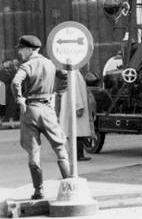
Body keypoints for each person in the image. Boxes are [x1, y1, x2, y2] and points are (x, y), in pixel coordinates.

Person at [11, 34, 72, 200]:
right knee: (60, 149)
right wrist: (59, 92)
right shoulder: (50, 64)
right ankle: (70, 186)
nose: (19, 53)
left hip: (30, 110)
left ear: (30, 50)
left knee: (33, 153)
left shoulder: (26, 66)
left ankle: (39, 191)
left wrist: (20, 99)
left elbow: (16, 82)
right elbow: (65, 75)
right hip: (47, 109)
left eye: (21, 49)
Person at [58, 65, 96, 162]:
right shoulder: (74, 73)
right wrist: (79, 106)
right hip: (75, 108)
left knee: (73, 132)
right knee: (77, 132)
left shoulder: (70, 72)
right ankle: (77, 155)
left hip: (70, 107)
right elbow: (76, 91)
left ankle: (74, 154)